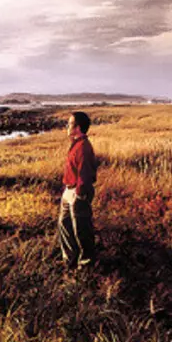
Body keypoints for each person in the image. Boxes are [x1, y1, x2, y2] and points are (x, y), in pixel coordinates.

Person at [58, 110, 98, 268]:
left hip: (77, 192)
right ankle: (70, 261)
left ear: (78, 127)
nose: (67, 126)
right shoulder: (76, 144)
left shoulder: (83, 147)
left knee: (81, 231)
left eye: (70, 123)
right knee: (64, 225)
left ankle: (86, 265)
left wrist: (79, 194)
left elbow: (85, 173)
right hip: (69, 191)